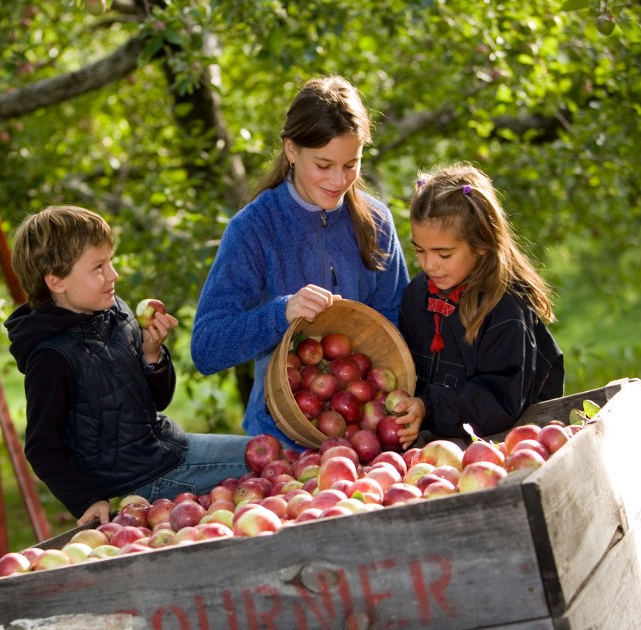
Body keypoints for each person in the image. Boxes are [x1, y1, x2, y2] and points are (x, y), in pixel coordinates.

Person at [191, 75, 410, 448]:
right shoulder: (254, 228)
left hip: (366, 436)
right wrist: (282, 313)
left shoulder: (376, 222)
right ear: (291, 150)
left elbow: (399, 324)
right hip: (280, 443)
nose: (339, 179)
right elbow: (207, 348)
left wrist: (405, 401)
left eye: (351, 164)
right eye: (323, 165)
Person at [5, 205, 250, 525]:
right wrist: (86, 500)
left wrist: (152, 354)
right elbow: (42, 447)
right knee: (265, 464)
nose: (113, 275)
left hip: (170, 448)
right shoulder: (51, 358)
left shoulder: (116, 313)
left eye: (111, 262)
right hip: (144, 480)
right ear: (56, 281)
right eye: (98, 267)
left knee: (267, 450)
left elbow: (158, 400)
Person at [392, 164, 565, 447]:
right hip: (437, 451)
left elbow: (499, 399)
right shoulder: (417, 295)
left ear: (481, 245)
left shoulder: (505, 308)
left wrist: (429, 407)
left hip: (504, 445)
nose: (428, 264)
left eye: (443, 254)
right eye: (419, 250)